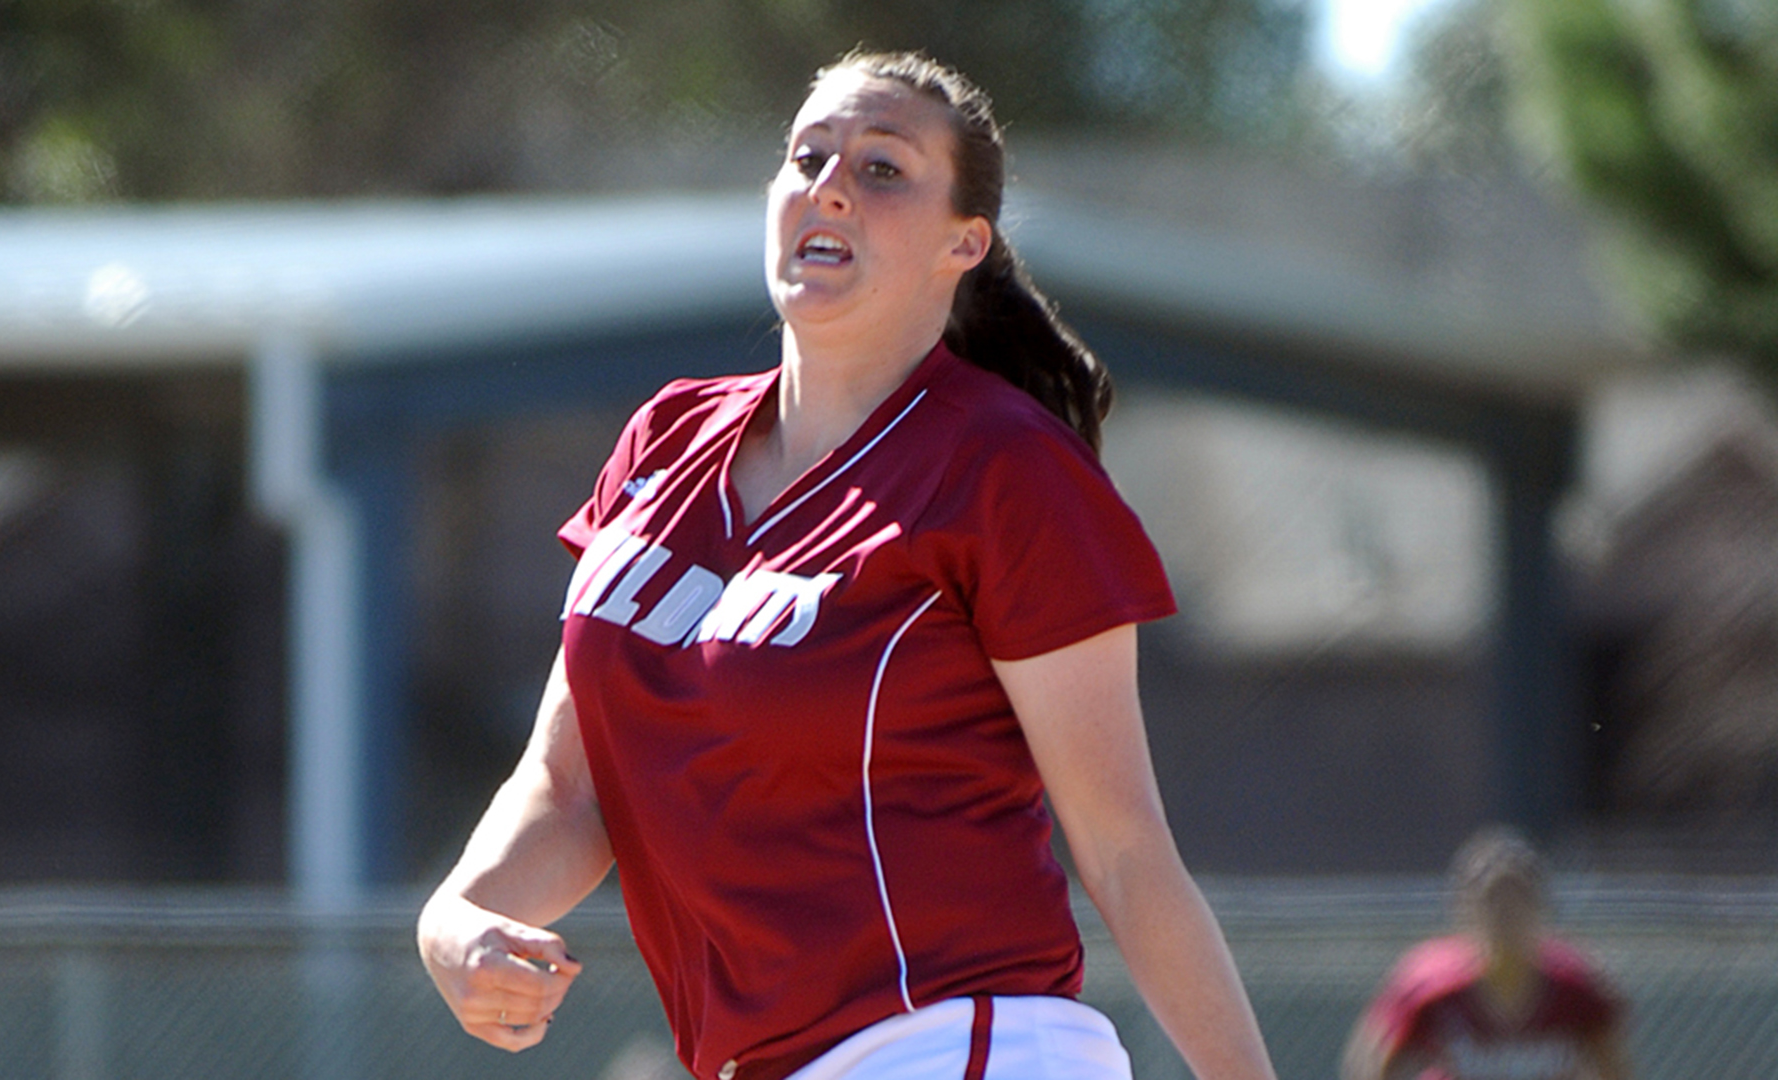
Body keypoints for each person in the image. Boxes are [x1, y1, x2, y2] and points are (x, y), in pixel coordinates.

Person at [417, 48, 1279, 1080]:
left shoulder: (1001, 467)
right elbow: (569, 784)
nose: (828, 183)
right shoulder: (663, 442)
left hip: (953, 1045)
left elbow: (1126, 851)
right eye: (807, 155)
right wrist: (456, 918)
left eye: (882, 168)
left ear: (965, 243)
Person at [1340, 827, 1631, 1080]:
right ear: (1466, 909)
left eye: (1517, 897)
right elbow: (1370, 1064)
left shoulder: (1575, 985)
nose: (1505, 913)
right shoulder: (1430, 984)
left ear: (1539, 906)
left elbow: (1614, 1068)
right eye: (1493, 900)